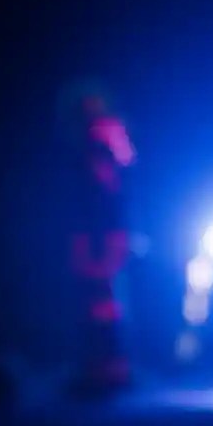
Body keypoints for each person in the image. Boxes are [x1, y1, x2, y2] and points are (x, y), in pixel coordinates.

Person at [66, 94, 136, 396]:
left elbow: (126, 169)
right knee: (90, 300)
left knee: (111, 301)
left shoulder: (112, 137)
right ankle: (96, 366)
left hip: (110, 234)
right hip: (88, 232)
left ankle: (114, 366)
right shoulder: (79, 150)